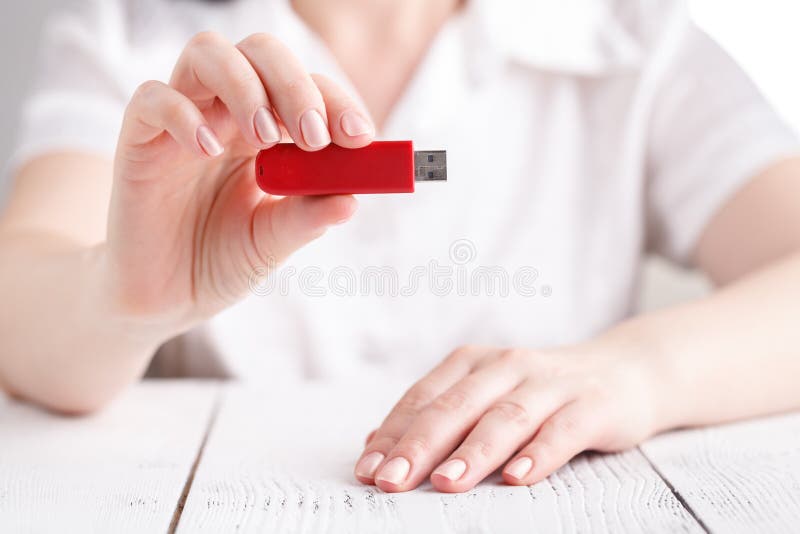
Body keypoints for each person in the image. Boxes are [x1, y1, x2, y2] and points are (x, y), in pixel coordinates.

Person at [1, 0, 799, 494]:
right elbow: (20, 296)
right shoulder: (123, 30)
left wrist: (638, 371)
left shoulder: (634, 35)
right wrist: (124, 296)